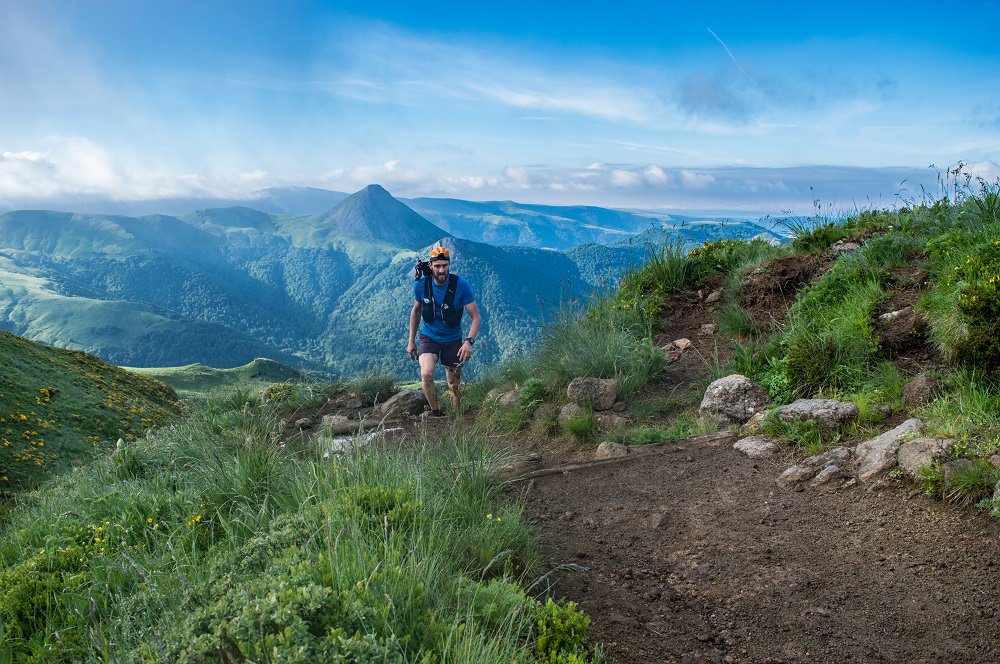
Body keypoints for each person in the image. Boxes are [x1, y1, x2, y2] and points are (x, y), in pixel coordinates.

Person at [407, 246, 481, 416]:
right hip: (429, 337)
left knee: (453, 385)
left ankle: (456, 416)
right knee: (426, 373)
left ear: (449, 265)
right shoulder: (421, 285)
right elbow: (416, 311)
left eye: (445, 265)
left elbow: (476, 317)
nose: (441, 270)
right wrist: (411, 340)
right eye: (438, 266)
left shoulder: (460, 285)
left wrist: (468, 342)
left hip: (453, 339)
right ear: (431, 266)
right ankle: (435, 412)